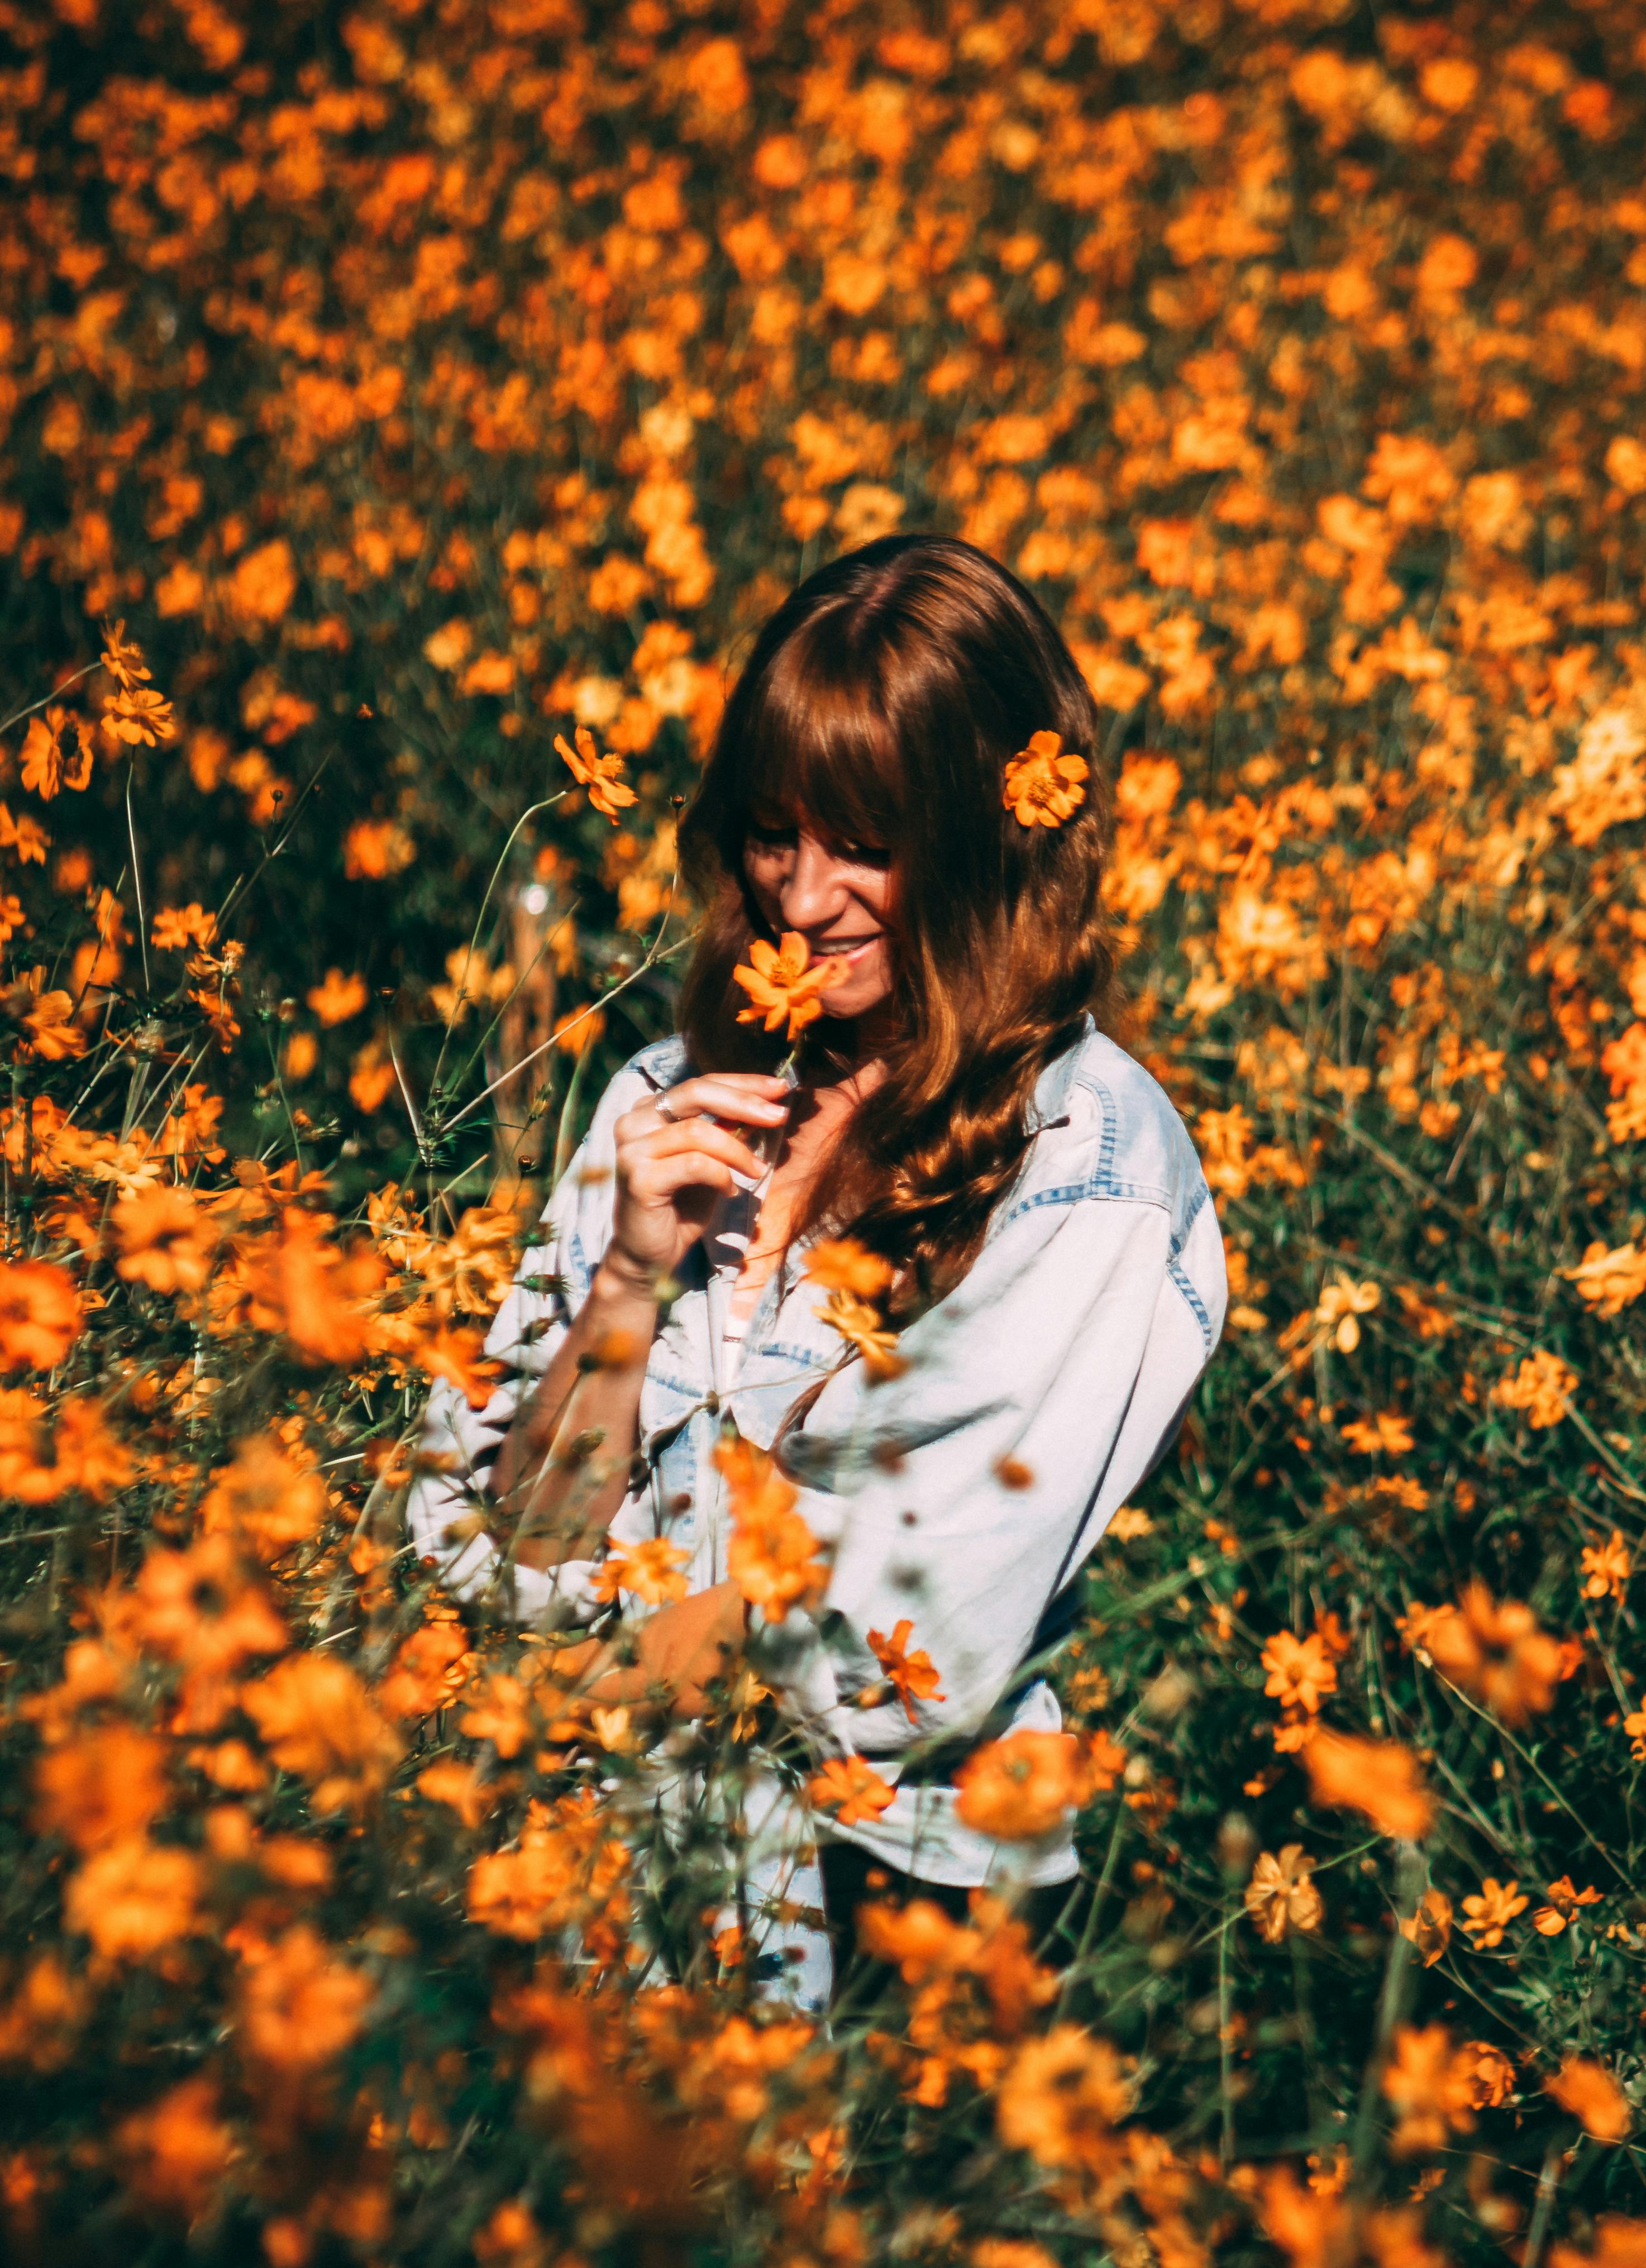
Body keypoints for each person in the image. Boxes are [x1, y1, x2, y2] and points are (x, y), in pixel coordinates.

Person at [409, 535, 1225, 2008]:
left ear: (994, 833)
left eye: (863, 841)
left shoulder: (1089, 1167)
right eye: (773, 836)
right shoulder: (669, 1098)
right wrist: (628, 1288)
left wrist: (541, 1701)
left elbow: (898, 1665)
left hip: (881, 1911)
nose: (801, 898)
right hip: (605, 1875)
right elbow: (492, 1542)